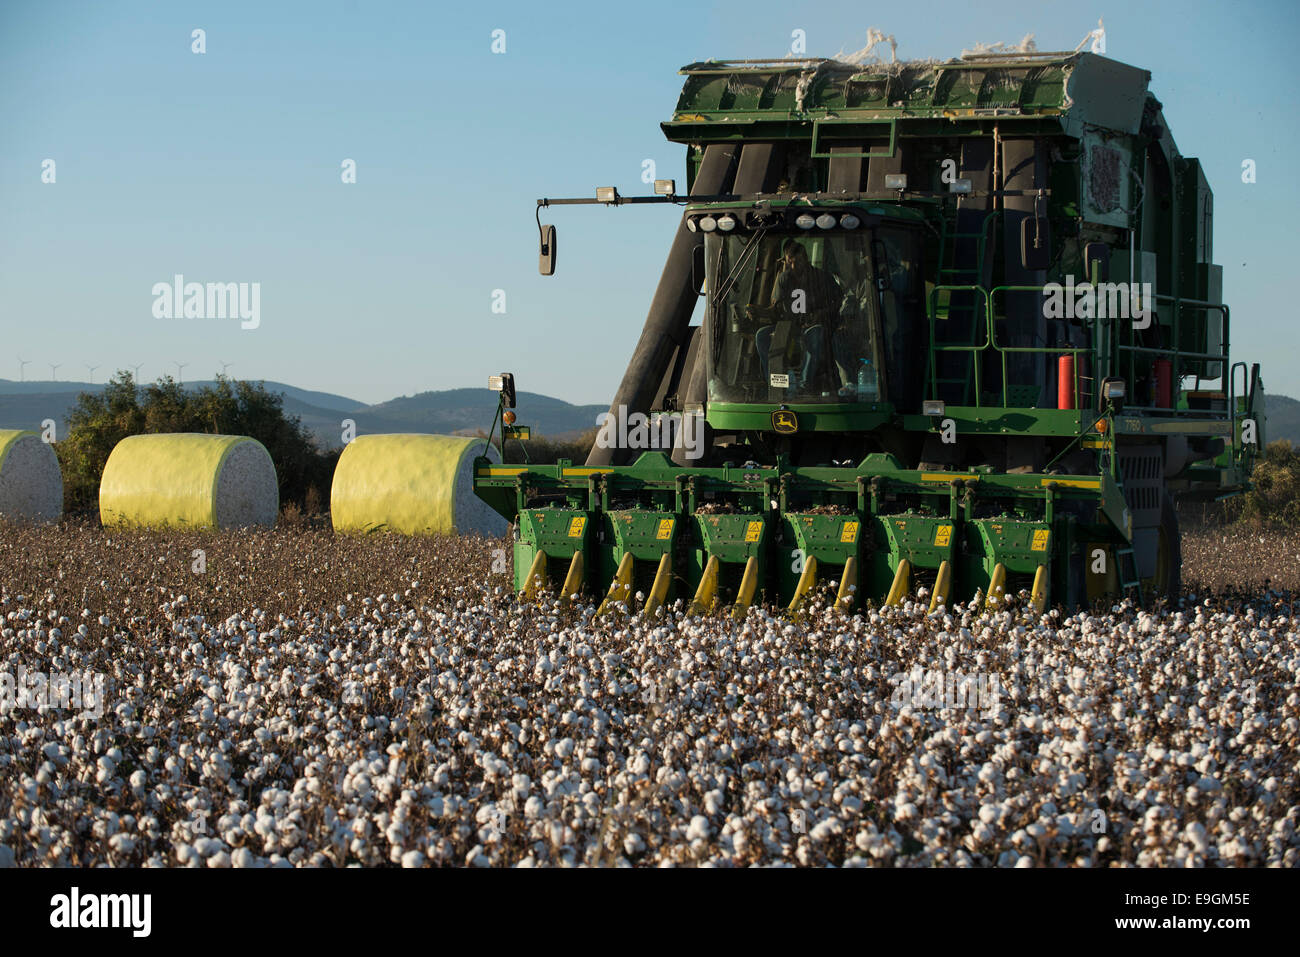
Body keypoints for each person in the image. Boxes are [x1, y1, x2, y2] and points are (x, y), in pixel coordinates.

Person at [746, 240, 841, 389]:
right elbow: (774, 309)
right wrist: (757, 310)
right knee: (762, 335)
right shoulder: (784, 278)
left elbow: (839, 300)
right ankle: (774, 383)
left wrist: (822, 313)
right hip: (788, 327)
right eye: (789, 263)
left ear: (806, 259)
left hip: (813, 325)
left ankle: (805, 385)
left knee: (816, 334)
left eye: (796, 262)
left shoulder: (822, 277)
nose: (792, 267)